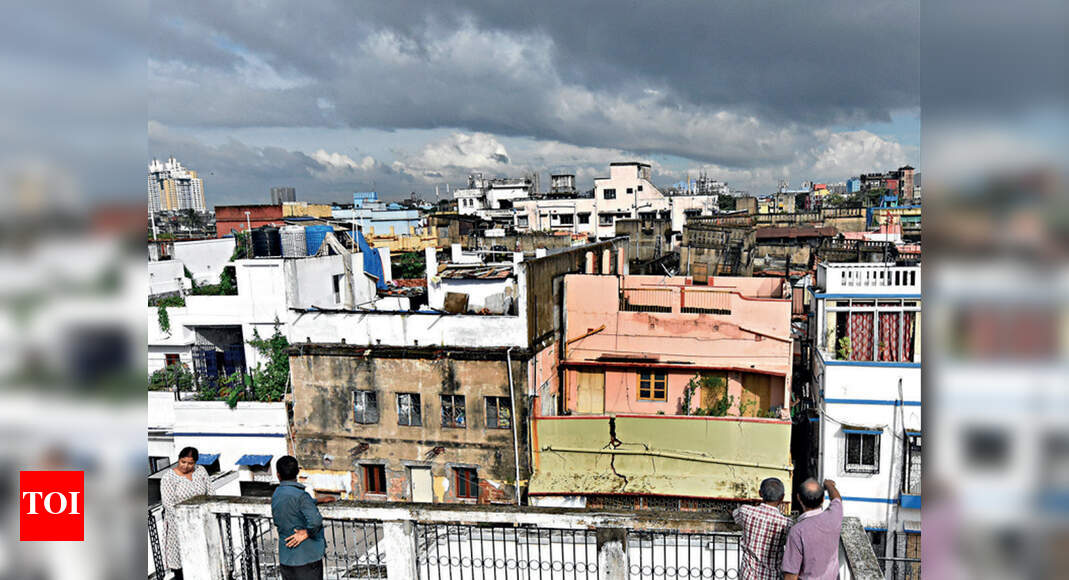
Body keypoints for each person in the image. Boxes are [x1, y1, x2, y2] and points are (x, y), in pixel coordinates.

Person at [271, 455, 335, 580]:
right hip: (306, 558)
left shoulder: (277, 494)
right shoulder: (301, 496)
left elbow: (291, 503)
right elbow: (315, 521)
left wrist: (315, 501)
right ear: (297, 472)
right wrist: (306, 533)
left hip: (287, 558)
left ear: (278, 475)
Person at [160, 447, 211, 580]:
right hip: (178, 524)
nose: (186, 466)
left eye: (190, 463)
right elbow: (168, 503)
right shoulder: (168, 478)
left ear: (195, 463)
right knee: (180, 560)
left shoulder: (201, 471)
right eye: (183, 462)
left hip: (201, 521)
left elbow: (210, 492)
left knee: (201, 556)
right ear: (178, 459)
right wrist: (186, 518)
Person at [782, 478, 843, 580]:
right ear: (823, 499)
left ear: (798, 498)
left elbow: (791, 575)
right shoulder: (834, 516)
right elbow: (837, 499)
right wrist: (829, 485)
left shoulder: (797, 531)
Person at [732, 477, 792, 580]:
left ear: (760, 493)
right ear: (782, 498)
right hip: (773, 577)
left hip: (748, 576)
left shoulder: (746, 511)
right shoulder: (787, 523)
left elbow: (735, 514)